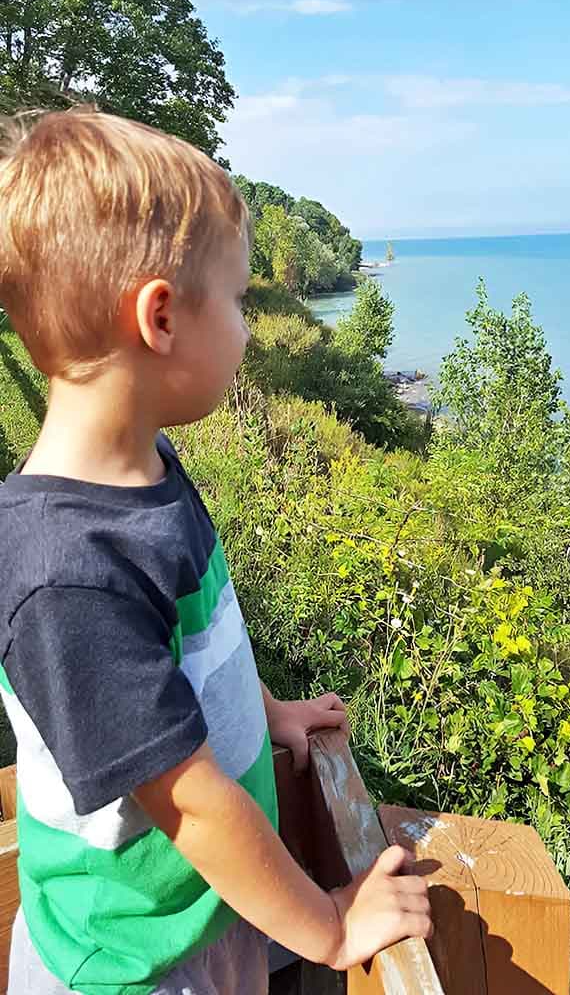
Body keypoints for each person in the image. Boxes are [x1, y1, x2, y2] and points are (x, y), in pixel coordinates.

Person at [0, 109, 432, 995]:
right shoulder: (67, 576)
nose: (248, 325)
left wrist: (266, 711)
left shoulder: (148, 471)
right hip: (131, 967)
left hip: (204, 922)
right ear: (160, 317)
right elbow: (188, 803)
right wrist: (331, 924)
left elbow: (188, 657)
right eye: (236, 301)